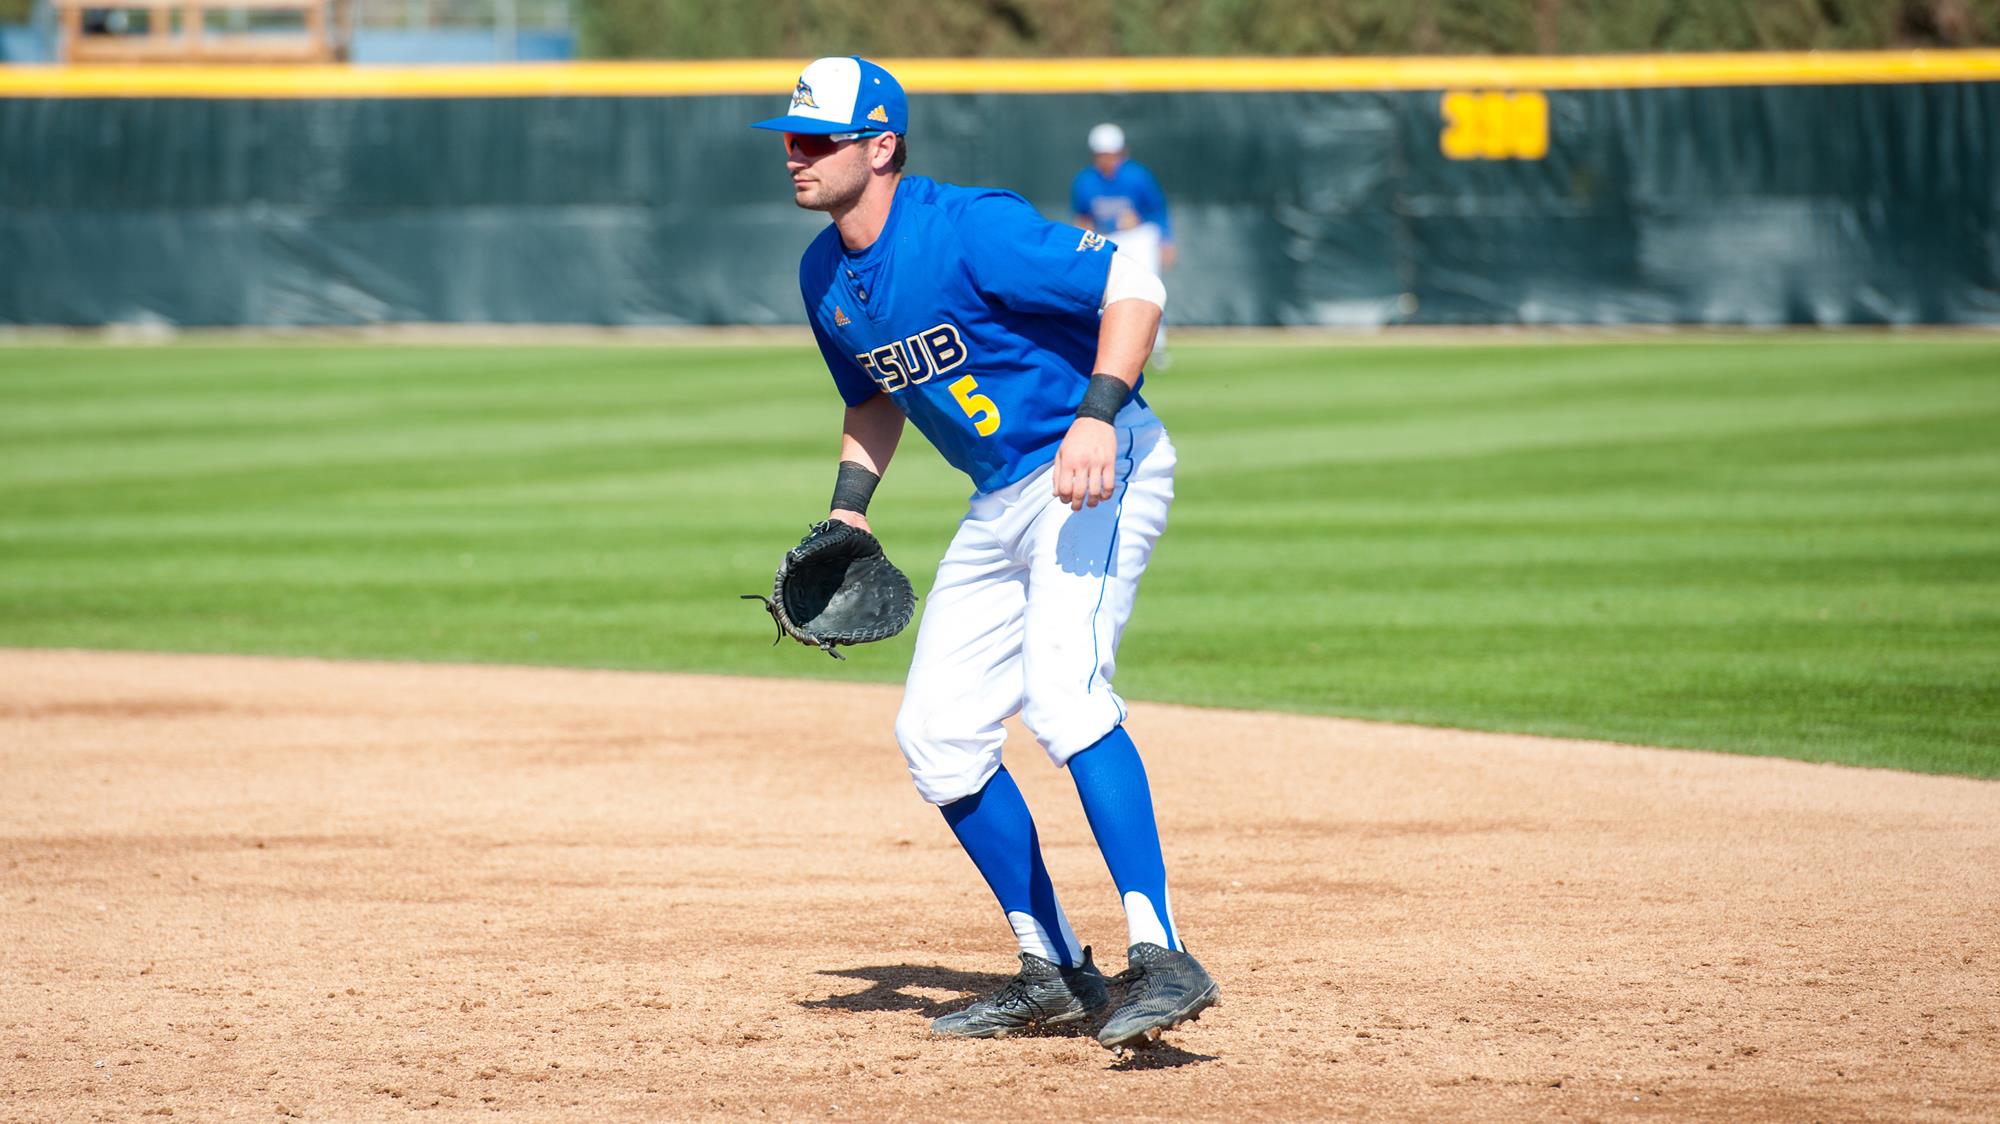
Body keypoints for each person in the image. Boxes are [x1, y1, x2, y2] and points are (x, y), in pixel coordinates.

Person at [751, 57, 1218, 1053]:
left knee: (1062, 690)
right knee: (936, 733)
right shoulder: (821, 273)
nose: (793, 155)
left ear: (878, 147)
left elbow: (1132, 283)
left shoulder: (968, 225)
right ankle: (1051, 968)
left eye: (814, 140)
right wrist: (851, 509)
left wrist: (1097, 412)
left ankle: (1163, 952)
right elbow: (874, 393)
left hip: (1097, 463)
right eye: (788, 138)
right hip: (1000, 495)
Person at [1071, 123, 1174, 362]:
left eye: (1112, 154)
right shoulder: (1085, 181)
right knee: (1105, 290)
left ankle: (1155, 345)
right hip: (1108, 237)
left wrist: (1166, 239)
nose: (1108, 159)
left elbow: (1157, 209)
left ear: (1122, 153)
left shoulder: (1137, 176)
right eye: (1103, 154)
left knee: (1149, 285)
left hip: (1140, 236)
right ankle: (1108, 344)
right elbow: (1083, 217)